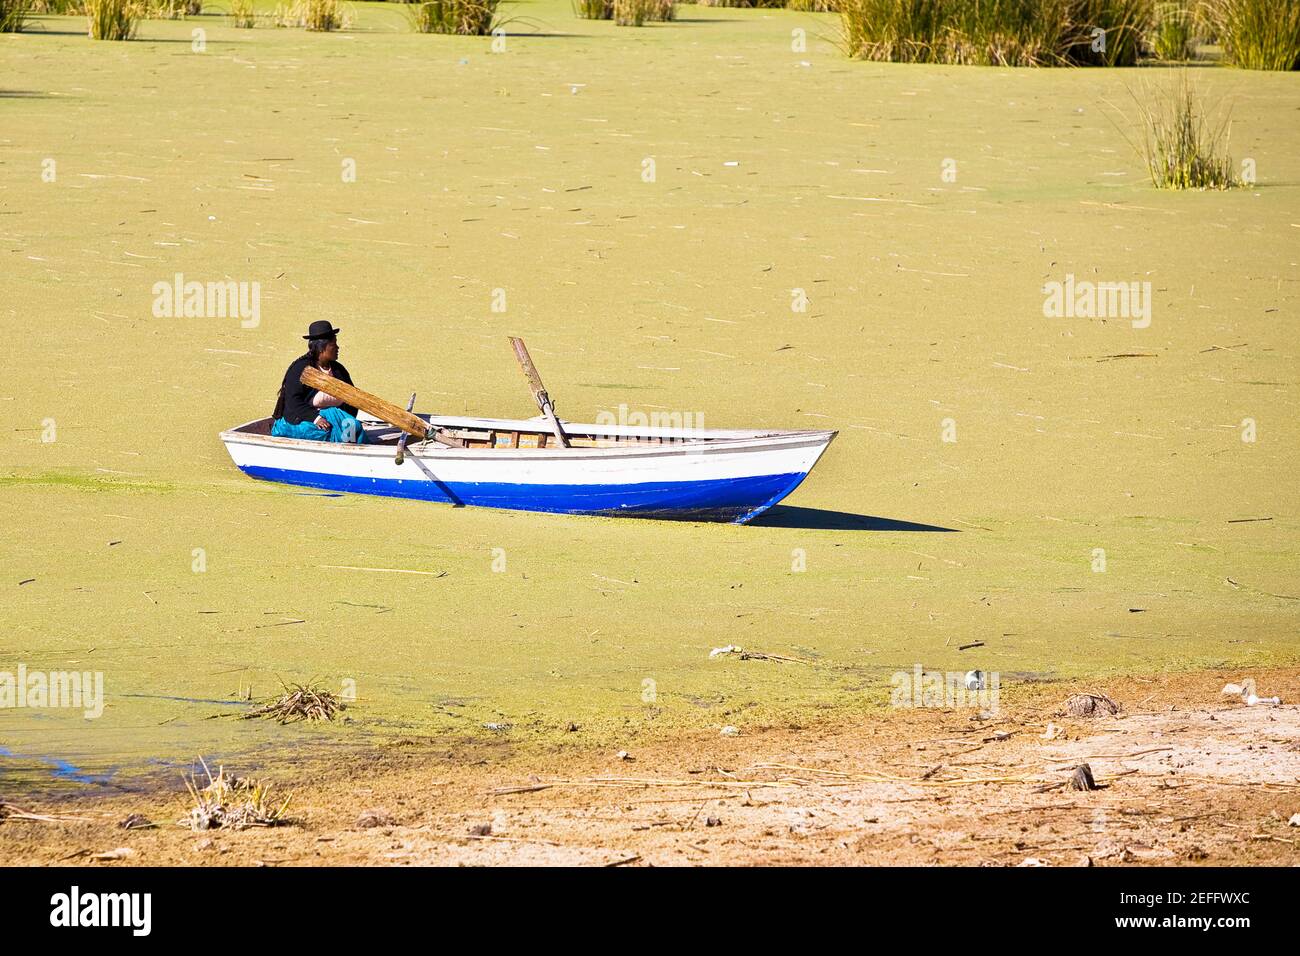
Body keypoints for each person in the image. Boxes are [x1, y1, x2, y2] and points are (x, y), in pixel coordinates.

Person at [271, 321, 367, 444]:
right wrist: (316, 418)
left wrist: (344, 419)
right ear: (322, 347)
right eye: (334, 344)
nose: (338, 348)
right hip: (303, 419)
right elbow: (293, 401)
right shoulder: (301, 368)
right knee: (322, 432)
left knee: (354, 426)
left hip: (333, 419)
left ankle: (350, 451)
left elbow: (351, 399)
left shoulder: (339, 370)